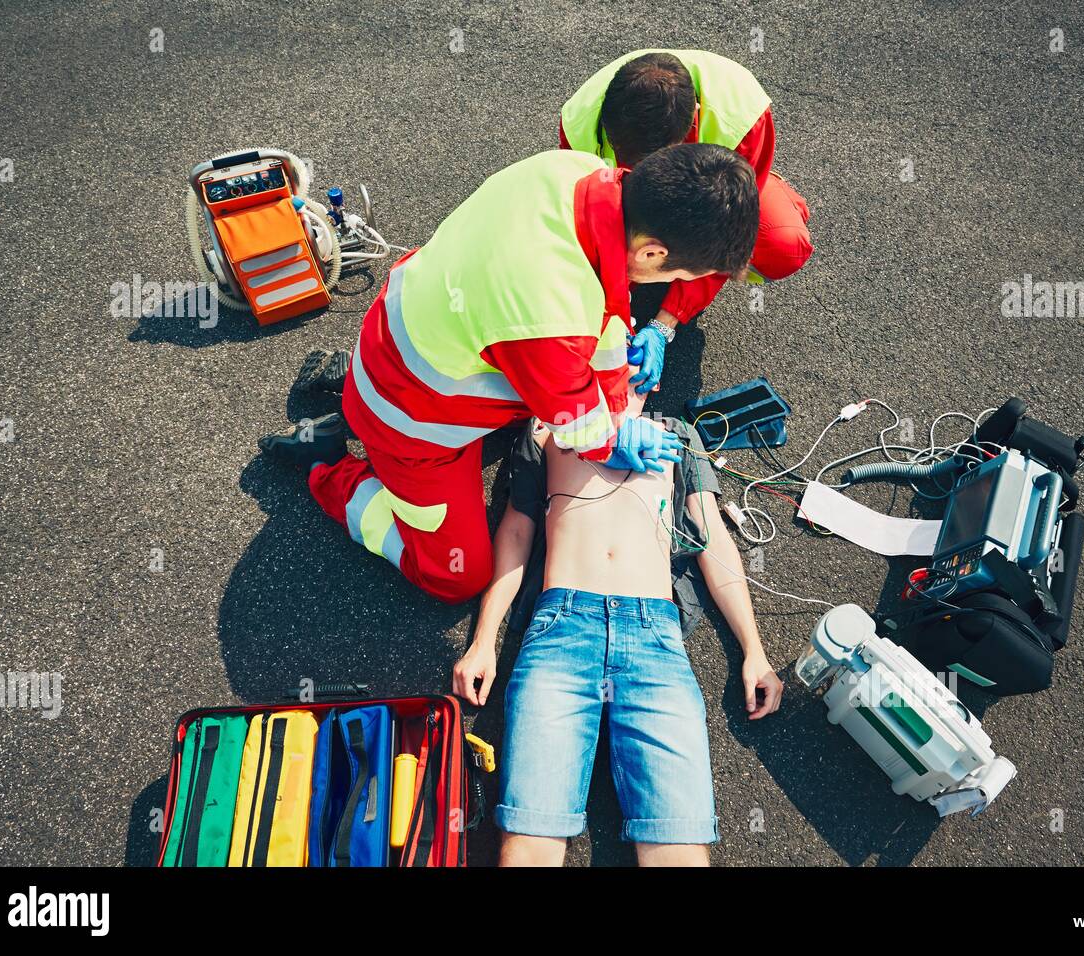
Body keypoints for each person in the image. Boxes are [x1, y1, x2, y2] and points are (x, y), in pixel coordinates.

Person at [259, 144, 759, 604]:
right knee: (457, 576)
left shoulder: (576, 171)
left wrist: (611, 384)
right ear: (652, 252)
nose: (674, 285)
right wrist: (609, 437)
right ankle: (331, 469)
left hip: (423, 330)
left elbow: (602, 311)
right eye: (678, 276)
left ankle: (355, 394)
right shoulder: (547, 313)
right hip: (410, 419)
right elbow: (575, 409)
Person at [452, 376, 784, 866]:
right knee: (530, 833)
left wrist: (754, 651)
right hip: (562, 630)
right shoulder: (548, 426)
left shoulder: (675, 435)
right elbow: (518, 529)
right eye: (606, 363)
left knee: (678, 841)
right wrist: (484, 640)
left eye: (635, 368)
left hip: (654, 637)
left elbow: (713, 539)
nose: (623, 380)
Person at [559, 49, 814, 394]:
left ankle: (765, 189)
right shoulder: (579, 121)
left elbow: (723, 232)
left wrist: (666, 322)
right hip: (634, 202)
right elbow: (590, 219)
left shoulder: (742, 119)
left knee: (782, 245)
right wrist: (610, 308)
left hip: (718, 192)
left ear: (693, 119)